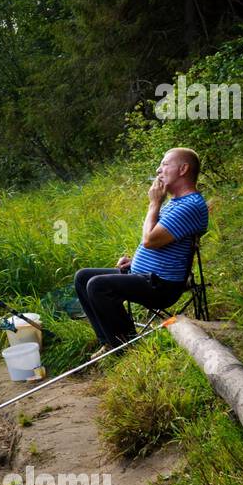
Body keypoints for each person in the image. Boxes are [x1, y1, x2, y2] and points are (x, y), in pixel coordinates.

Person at [74, 147, 208, 355]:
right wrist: (134, 261)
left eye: (164, 164)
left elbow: (150, 240)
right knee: (83, 277)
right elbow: (160, 243)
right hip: (144, 275)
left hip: (162, 286)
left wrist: (154, 204)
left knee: (98, 286)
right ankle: (109, 342)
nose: (158, 170)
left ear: (183, 169)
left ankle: (128, 350)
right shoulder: (177, 203)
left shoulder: (190, 205)